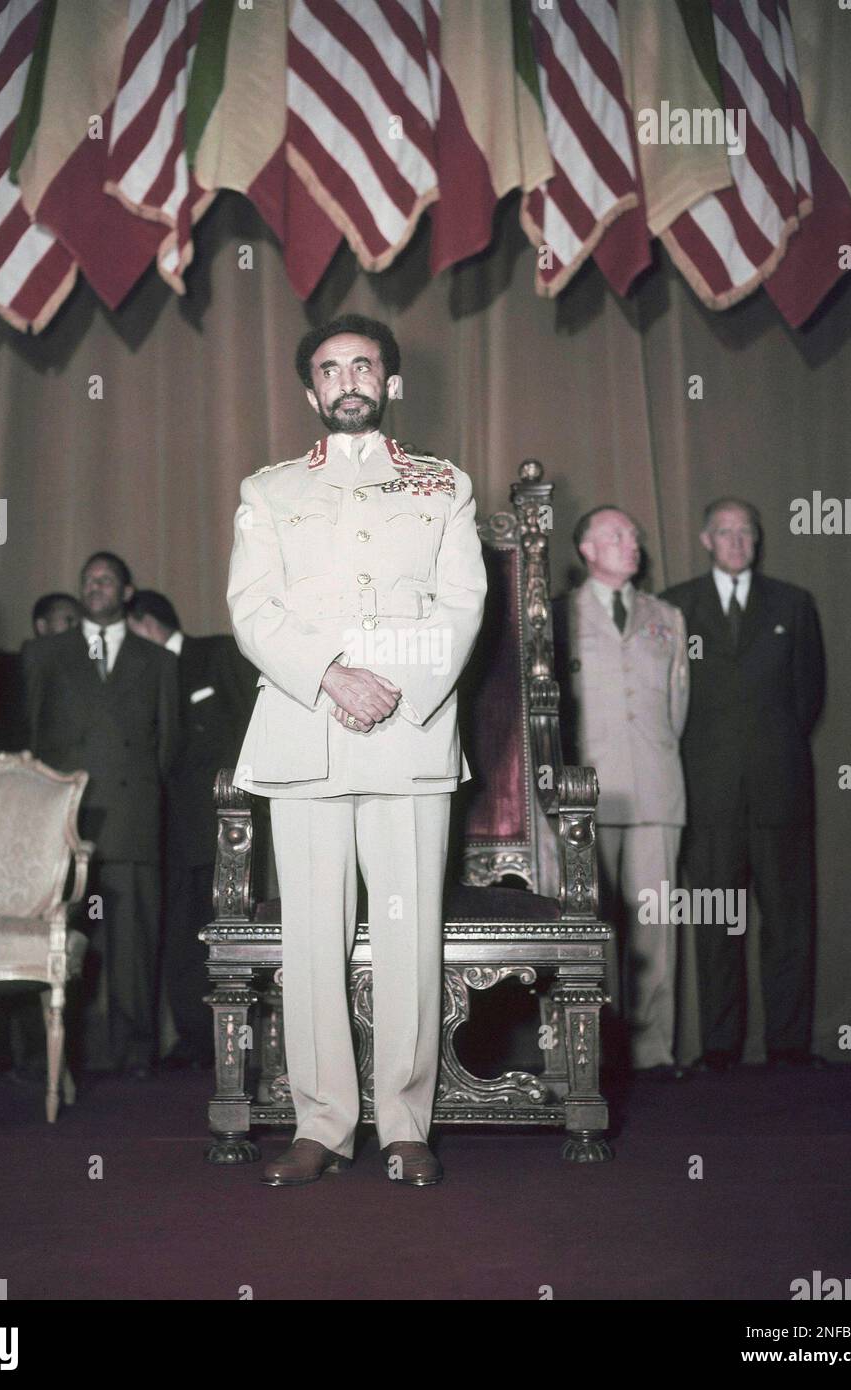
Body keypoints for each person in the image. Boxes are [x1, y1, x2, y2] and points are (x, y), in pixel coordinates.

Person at [227, 313, 487, 1186]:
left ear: (391, 381)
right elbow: (252, 610)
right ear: (310, 390)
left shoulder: (443, 486)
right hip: (305, 732)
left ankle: (406, 1124)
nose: (347, 380)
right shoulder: (268, 491)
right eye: (330, 369)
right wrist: (333, 677)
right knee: (311, 935)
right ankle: (322, 1124)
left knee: (410, 933)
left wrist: (392, 690)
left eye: (363, 366)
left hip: (408, 736)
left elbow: (459, 608)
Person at [662, 499, 825, 1072]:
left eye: (745, 532)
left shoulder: (793, 604)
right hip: (706, 793)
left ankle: (788, 1046)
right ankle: (720, 1048)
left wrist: (767, 757)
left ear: (757, 540)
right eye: (725, 532)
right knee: (714, 920)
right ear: (706, 540)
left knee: (788, 919)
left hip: (781, 790)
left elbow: (808, 698)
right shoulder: (676, 605)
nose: (736, 541)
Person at [21, 552, 179, 1075]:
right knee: (66, 941)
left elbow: (168, 749)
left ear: (126, 592)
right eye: (88, 579)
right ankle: (67, 1057)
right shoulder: (44, 654)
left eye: (106, 579)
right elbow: (33, 737)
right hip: (65, 822)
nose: (95, 586)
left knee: (134, 943)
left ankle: (135, 1056)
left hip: (133, 821)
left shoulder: (158, 662)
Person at [553, 507, 689, 1082]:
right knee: (589, 926)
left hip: (656, 788)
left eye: (633, 535)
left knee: (655, 923)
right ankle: (591, 1054)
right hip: (589, 792)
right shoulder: (557, 617)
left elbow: (677, 707)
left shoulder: (667, 618)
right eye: (614, 535)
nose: (629, 543)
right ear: (585, 548)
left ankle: (653, 1050)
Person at [127, 589, 258, 1070]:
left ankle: (246, 1049)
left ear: (146, 621)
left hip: (227, 828)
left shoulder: (215, 652)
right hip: (169, 831)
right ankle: (195, 1042)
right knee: (182, 936)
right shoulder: (139, 674)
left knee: (234, 932)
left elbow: (251, 724)